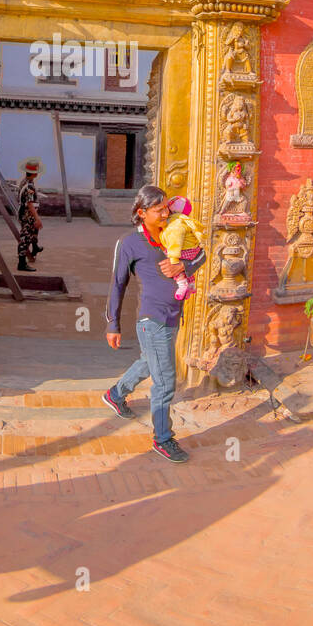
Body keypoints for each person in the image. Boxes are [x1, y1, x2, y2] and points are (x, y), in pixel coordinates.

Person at [103, 184, 207, 462]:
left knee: (150, 363)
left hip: (174, 314)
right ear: (142, 212)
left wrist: (184, 267)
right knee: (165, 382)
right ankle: (163, 439)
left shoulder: (174, 230)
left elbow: (201, 254)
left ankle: (115, 394)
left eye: (166, 208)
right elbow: (117, 283)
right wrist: (113, 323)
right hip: (152, 318)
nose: (165, 212)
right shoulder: (129, 243)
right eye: (159, 209)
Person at [16, 158, 44, 272]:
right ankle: (21, 264)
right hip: (28, 215)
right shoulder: (30, 186)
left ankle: (35, 248)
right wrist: (37, 218)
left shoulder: (25, 182)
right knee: (25, 238)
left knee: (31, 234)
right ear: (35, 173)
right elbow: (30, 204)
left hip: (26, 213)